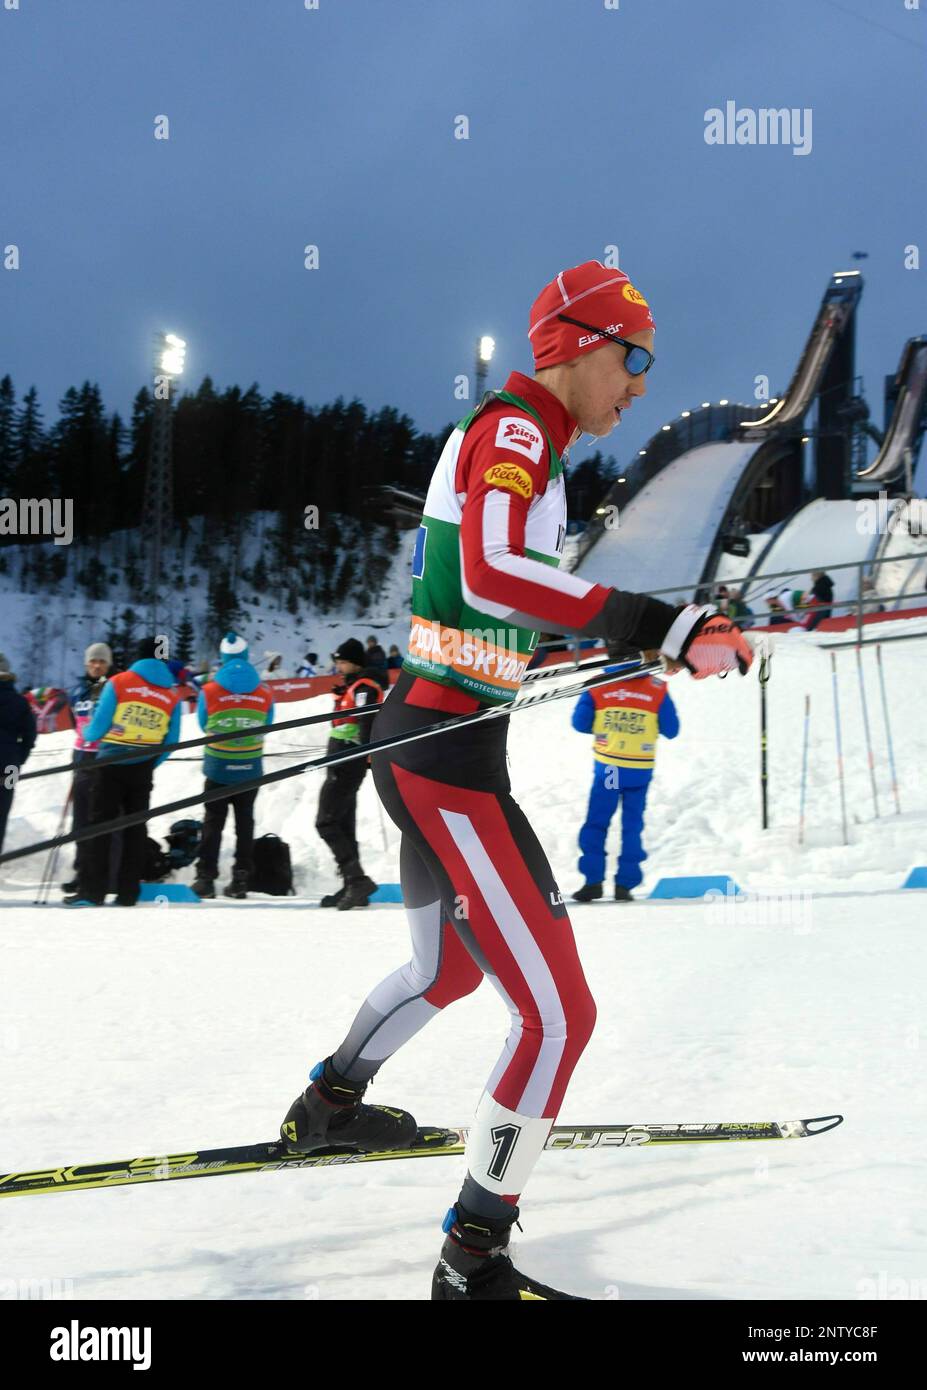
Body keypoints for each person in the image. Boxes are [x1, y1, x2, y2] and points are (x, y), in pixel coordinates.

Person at [277, 259, 753, 1301]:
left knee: (448, 972)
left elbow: (501, 604)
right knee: (557, 1015)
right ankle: (472, 1258)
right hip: (444, 759)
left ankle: (331, 1102)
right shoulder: (519, 431)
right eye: (634, 359)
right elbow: (494, 572)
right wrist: (660, 622)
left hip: (437, 741)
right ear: (580, 343)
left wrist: (645, 644)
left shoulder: (536, 443)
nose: (639, 385)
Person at [66, 637, 183, 907]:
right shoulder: (171, 694)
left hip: (109, 765)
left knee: (99, 827)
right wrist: (151, 762)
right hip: (142, 768)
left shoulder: (119, 683)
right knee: (134, 829)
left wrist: (89, 731)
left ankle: (91, 892)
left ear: (137, 656)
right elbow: (172, 741)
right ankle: (128, 892)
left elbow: (95, 729)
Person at [571, 669, 679, 903]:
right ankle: (625, 884)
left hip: (611, 769)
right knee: (632, 826)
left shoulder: (599, 684)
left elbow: (579, 723)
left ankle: (592, 882)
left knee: (597, 823)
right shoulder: (657, 686)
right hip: (640, 769)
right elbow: (672, 730)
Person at [192, 632, 274, 900]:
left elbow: (204, 724)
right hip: (250, 767)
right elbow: (268, 723)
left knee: (213, 823)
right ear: (247, 656)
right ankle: (240, 880)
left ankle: (205, 878)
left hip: (218, 766)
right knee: (245, 823)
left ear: (223, 658)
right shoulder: (264, 692)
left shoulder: (209, 690)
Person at [314, 638, 384, 910]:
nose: (339, 666)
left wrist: (367, 757)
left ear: (355, 662)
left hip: (347, 762)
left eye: (342, 662)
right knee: (343, 824)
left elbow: (367, 721)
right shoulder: (353, 685)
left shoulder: (365, 686)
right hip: (342, 760)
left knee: (325, 822)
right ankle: (351, 886)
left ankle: (356, 880)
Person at [62, 642, 113, 893]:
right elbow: (74, 721)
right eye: (93, 661)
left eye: (102, 661)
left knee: (101, 819)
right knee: (80, 821)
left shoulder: (112, 689)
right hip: (83, 757)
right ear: (86, 664)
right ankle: (81, 872)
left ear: (108, 664)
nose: (97, 665)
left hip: (104, 759)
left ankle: (100, 874)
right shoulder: (77, 691)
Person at [0, 652, 37, 856]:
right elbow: (30, 736)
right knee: (2, 811)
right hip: (10, 765)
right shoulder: (20, 701)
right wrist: (18, 760)